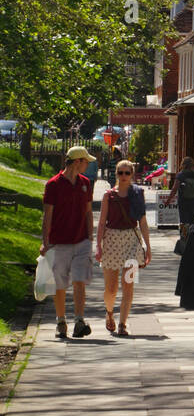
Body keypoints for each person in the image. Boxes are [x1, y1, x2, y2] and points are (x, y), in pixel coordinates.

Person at [41, 144, 96, 340]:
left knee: (79, 281)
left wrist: (90, 237)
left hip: (81, 240)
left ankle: (79, 321)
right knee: (60, 284)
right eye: (85, 161)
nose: (87, 165)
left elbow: (89, 212)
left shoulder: (85, 183)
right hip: (60, 242)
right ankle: (61, 321)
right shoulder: (53, 185)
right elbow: (47, 216)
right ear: (77, 162)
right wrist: (45, 242)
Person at [95, 158, 151, 337]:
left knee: (128, 285)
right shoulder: (108, 195)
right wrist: (98, 246)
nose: (124, 176)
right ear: (116, 174)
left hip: (131, 242)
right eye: (121, 172)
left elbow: (142, 221)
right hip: (111, 240)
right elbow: (102, 222)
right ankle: (110, 312)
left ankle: (122, 323)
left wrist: (148, 246)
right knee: (111, 288)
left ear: (132, 174)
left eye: (127, 173)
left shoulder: (138, 193)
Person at [169, 157, 194, 233]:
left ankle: (184, 236)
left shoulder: (181, 175)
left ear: (183, 164)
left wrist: (168, 200)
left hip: (183, 201)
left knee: (184, 220)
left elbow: (174, 189)